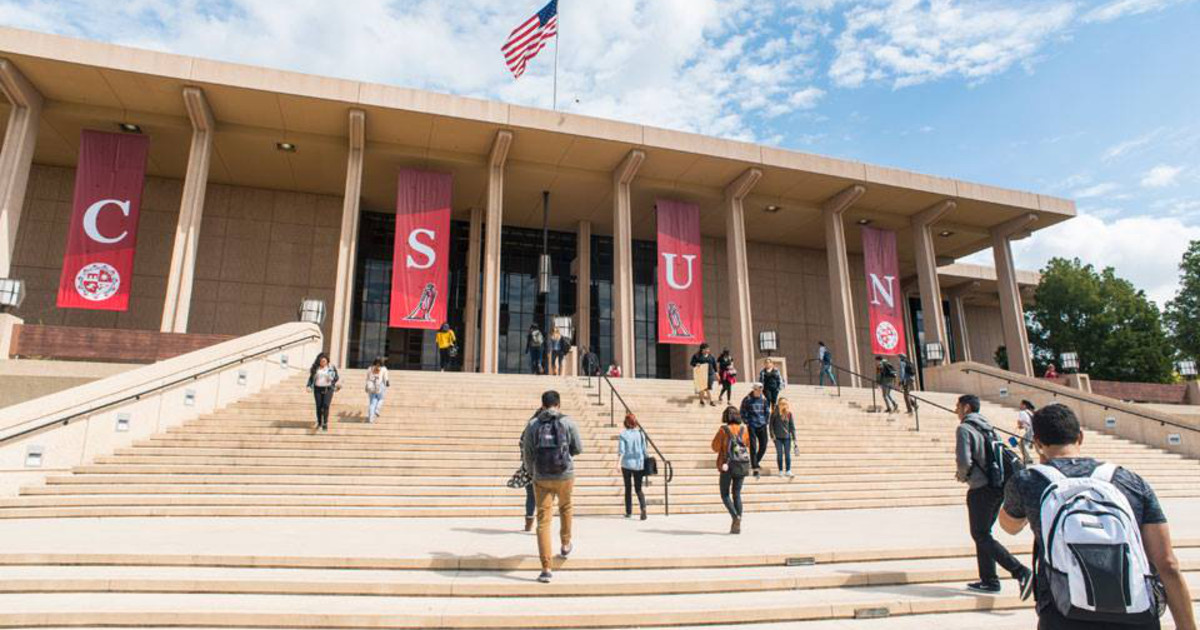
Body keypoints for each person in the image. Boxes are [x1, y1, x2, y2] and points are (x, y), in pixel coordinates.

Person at [1000, 404, 1196, 630]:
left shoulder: (1027, 481)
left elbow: (1009, 526)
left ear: (1037, 444)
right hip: (1136, 612)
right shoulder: (1129, 481)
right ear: (1080, 436)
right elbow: (1167, 564)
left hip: (1063, 614)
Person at [954, 394, 1032, 594]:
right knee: (983, 533)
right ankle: (989, 580)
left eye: (958, 406)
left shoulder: (964, 428)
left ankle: (1021, 572)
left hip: (981, 488)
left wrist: (963, 476)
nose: (956, 410)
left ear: (967, 408)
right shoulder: (988, 427)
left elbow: (964, 461)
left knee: (980, 534)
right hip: (998, 486)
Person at [520, 390, 583, 584]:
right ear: (559, 404)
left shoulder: (533, 424)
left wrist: (532, 473)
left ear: (543, 405)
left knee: (543, 521)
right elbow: (578, 448)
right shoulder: (568, 422)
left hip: (541, 477)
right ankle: (565, 544)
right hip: (565, 474)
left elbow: (527, 453)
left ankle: (546, 568)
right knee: (565, 508)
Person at [711, 405, 750, 534]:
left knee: (725, 494)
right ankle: (737, 524)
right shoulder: (744, 429)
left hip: (726, 465)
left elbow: (715, 447)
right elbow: (748, 444)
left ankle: (735, 517)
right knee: (737, 494)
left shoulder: (723, 430)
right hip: (741, 464)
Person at [617, 413, 648, 520]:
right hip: (639, 465)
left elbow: (622, 451)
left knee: (628, 488)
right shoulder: (641, 434)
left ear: (626, 423)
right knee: (638, 488)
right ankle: (643, 508)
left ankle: (629, 512)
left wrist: (618, 463)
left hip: (626, 464)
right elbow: (645, 451)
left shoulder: (623, 434)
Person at [739, 383, 770, 477]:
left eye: (761, 390)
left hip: (762, 424)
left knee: (764, 445)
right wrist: (746, 421)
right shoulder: (747, 399)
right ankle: (755, 466)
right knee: (753, 446)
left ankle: (755, 462)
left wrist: (766, 421)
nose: (760, 392)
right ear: (754, 390)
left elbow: (767, 411)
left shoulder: (763, 399)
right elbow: (742, 411)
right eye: (758, 390)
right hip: (752, 424)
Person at [305, 353, 340, 432]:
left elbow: (336, 377)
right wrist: (308, 386)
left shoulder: (331, 367)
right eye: (321, 361)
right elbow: (311, 378)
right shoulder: (316, 368)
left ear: (327, 361)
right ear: (319, 361)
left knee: (326, 405)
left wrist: (333, 381)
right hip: (318, 389)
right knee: (319, 406)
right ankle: (320, 422)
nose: (323, 362)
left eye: (324, 361)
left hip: (328, 389)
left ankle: (325, 423)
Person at [769, 397, 797, 477]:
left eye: (785, 403)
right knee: (779, 454)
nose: (783, 405)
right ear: (778, 404)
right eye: (781, 403)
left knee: (787, 454)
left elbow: (792, 426)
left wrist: (794, 438)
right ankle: (780, 470)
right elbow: (771, 425)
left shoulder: (789, 414)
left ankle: (788, 470)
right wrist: (772, 435)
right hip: (777, 438)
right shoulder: (774, 413)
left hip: (787, 438)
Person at [690, 343, 718, 407]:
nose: (707, 350)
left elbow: (714, 365)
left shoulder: (711, 356)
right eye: (706, 349)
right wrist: (696, 364)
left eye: (708, 349)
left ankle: (707, 400)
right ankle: (706, 401)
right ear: (702, 349)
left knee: (707, 387)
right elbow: (692, 363)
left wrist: (716, 373)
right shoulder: (696, 356)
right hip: (701, 374)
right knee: (703, 388)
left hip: (710, 374)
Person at [364, 358, 389, 423]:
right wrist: (387, 383)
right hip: (379, 386)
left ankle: (371, 419)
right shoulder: (383, 369)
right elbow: (386, 378)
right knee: (381, 399)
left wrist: (366, 386)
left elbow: (367, 378)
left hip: (371, 387)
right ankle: (377, 410)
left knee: (372, 403)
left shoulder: (370, 368)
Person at [1017, 399, 1036, 464]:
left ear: (1024, 405)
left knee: (1022, 444)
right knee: (1022, 444)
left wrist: (1020, 425)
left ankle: (1028, 459)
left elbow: (1023, 422)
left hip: (1028, 430)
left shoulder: (1022, 412)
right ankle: (1027, 458)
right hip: (1033, 430)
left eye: (1021, 404)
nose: (1020, 405)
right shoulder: (1029, 412)